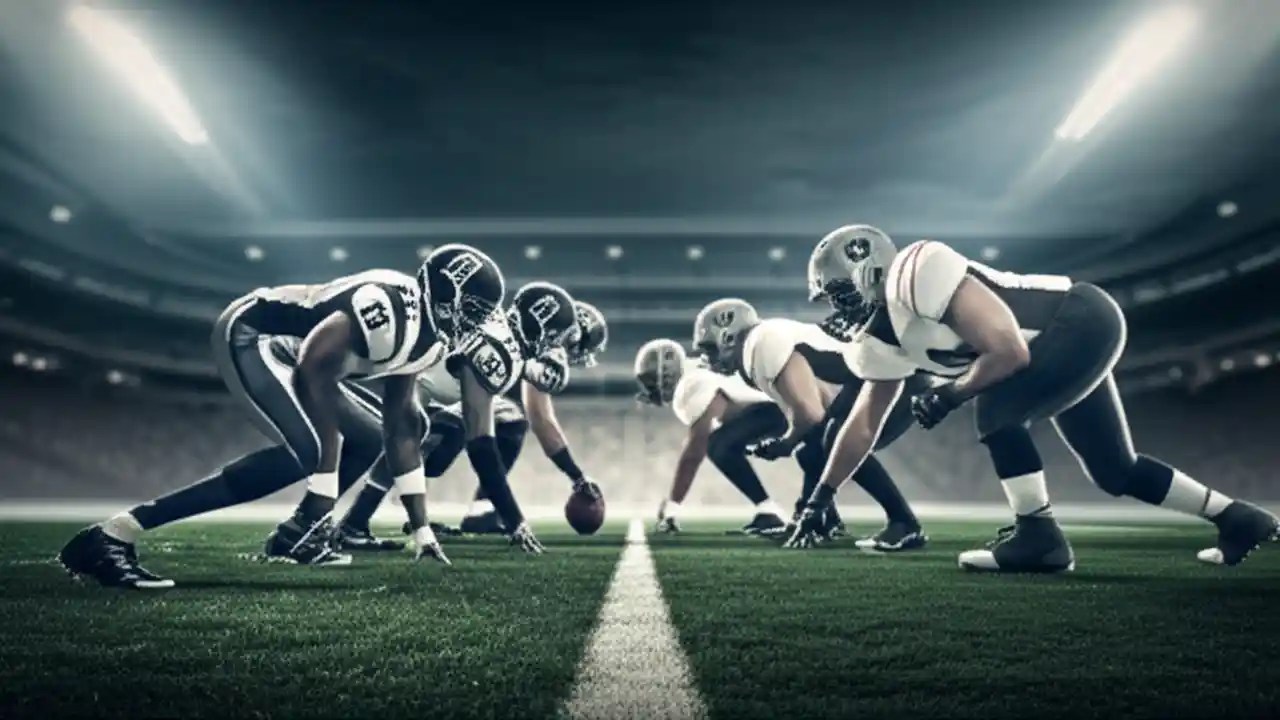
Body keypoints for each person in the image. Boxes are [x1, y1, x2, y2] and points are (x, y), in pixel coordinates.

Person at [793, 223, 1279, 571]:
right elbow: (863, 424)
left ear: (871, 270)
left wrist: (949, 395)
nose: (837, 310)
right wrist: (821, 497)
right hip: (1058, 345)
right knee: (1115, 470)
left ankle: (1038, 536)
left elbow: (1008, 351)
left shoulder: (917, 272)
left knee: (997, 410)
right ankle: (1237, 517)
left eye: (839, 293)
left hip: (1079, 318)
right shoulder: (876, 344)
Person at [58, 244, 534, 588]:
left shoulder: (429, 343)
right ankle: (113, 534)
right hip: (258, 336)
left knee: (371, 437)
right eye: (472, 310)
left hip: (303, 360)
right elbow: (312, 368)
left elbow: (400, 429)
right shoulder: (390, 306)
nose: (474, 324)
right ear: (445, 291)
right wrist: (326, 469)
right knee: (307, 454)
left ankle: (296, 535)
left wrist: (422, 528)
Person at [336, 294, 607, 541]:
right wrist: (573, 479)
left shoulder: (516, 344)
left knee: (499, 424)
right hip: (421, 378)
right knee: (412, 442)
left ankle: (478, 510)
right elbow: (537, 421)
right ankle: (352, 519)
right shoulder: (515, 350)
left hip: (445, 387)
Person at [693, 298, 931, 551]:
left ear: (728, 336)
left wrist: (785, 443)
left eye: (710, 348)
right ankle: (824, 521)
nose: (709, 358)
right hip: (890, 376)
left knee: (835, 438)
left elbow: (810, 415)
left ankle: (903, 522)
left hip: (895, 377)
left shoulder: (760, 344)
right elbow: (820, 410)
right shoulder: (768, 339)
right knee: (814, 446)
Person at [633, 338, 790, 535]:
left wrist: (673, 505)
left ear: (666, 372)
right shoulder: (699, 374)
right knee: (721, 444)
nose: (650, 389)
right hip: (780, 407)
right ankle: (775, 511)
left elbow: (696, 448)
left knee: (718, 445)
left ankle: (769, 510)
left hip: (777, 410)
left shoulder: (690, 384)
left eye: (650, 381)